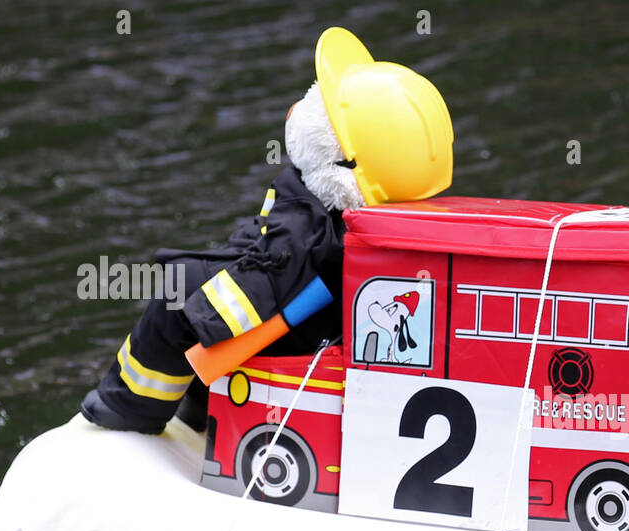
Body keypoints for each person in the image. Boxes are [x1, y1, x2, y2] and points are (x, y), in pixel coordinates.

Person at [80, 27, 453, 435]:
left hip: (292, 333)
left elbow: (257, 290)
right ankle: (198, 407)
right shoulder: (353, 220)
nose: (300, 107)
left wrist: (199, 306)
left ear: (343, 165)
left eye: (318, 109)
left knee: (177, 290)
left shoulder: (306, 232)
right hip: (309, 318)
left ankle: (130, 405)